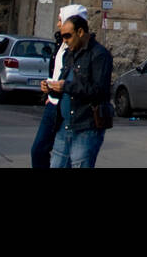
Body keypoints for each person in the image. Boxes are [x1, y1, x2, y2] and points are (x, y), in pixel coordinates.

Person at [43, 14, 112, 168]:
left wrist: (65, 86)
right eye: (62, 37)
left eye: (67, 36)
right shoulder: (69, 54)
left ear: (80, 32)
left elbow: (99, 91)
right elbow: (63, 85)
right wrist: (51, 89)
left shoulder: (99, 54)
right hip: (65, 125)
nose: (65, 41)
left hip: (86, 126)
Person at [31, 3, 87, 168]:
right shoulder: (60, 44)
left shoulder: (80, 48)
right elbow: (56, 72)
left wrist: (62, 89)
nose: (58, 24)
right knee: (39, 150)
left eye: (60, 20)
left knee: (66, 155)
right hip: (53, 104)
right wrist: (48, 90)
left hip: (69, 106)